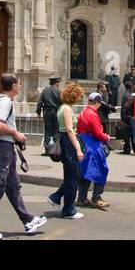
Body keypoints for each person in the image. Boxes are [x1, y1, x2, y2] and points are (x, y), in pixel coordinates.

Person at [0, 73, 48, 240]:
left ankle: (28, 220)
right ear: (13, 86)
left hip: (6, 148)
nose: (20, 86)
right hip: (2, 148)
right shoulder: (5, 101)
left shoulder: (3, 100)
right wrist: (16, 133)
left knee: (13, 186)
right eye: (18, 84)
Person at [46, 81, 85, 220]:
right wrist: (78, 149)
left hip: (65, 141)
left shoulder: (62, 107)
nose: (80, 98)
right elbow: (69, 130)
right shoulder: (67, 109)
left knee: (72, 175)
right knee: (73, 176)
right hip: (68, 142)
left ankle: (56, 197)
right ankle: (68, 209)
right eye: (79, 95)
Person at [76, 92, 111, 209]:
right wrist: (106, 137)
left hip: (84, 144)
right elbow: (98, 133)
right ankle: (97, 198)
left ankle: (81, 198)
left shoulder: (82, 113)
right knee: (102, 170)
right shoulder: (93, 114)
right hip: (93, 146)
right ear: (97, 102)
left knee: (86, 173)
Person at [37, 76, 62, 153]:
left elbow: (40, 102)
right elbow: (62, 102)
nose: (59, 84)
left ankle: (47, 150)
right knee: (56, 131)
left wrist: (38, 112)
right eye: (58, 82)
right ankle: (54, 150)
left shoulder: (45, 91)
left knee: (48, 131)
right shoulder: (59, 91)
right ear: (56, 83)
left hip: (47, 113)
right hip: (56, 112)